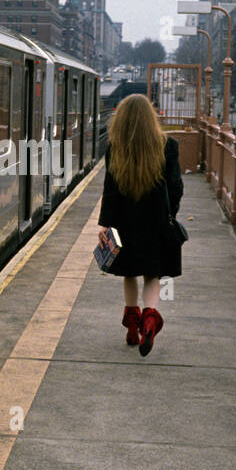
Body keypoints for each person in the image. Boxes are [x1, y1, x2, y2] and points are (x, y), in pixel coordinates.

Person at [96, 94, 183, 357]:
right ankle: (149, 318)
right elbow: (176, 187)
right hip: (156, 224)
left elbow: (109, 189)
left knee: (129, 274)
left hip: (124, 223)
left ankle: (132, 328)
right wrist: (170, 214)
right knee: (152, 275)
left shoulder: (115, 146)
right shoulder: (168, 145)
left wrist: (105, 224)